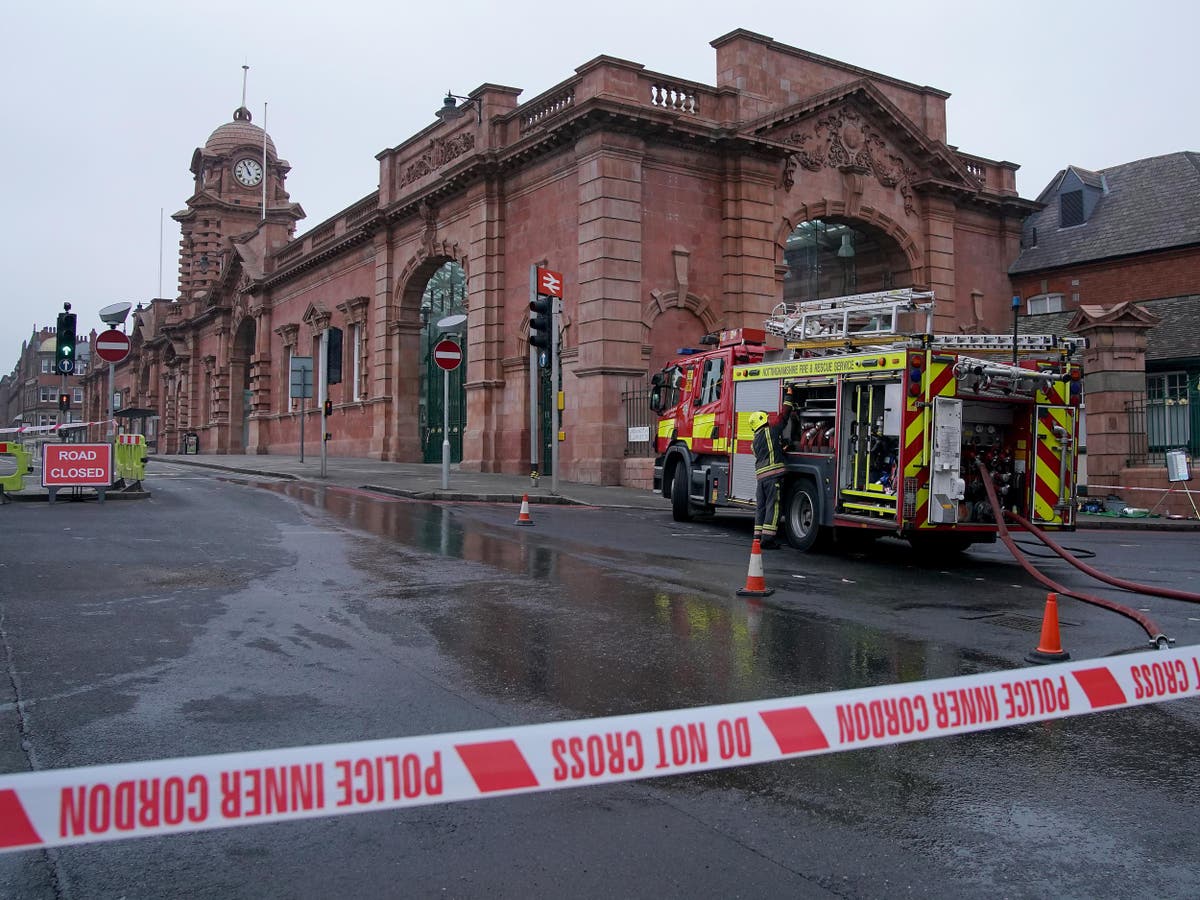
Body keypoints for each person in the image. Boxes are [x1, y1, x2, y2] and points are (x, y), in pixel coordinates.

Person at [749, 400, 794, 548]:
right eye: (767, 418)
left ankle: (757, 537)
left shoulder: (754, 442)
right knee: (773, 507)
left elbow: (767, 452)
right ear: (762, 421)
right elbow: (783, 417)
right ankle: (768, 540)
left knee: (761, 508)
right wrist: (789, 398)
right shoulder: (770, 431)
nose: (769, 420)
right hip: (772, 477)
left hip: (761, 479)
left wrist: (780, 449)